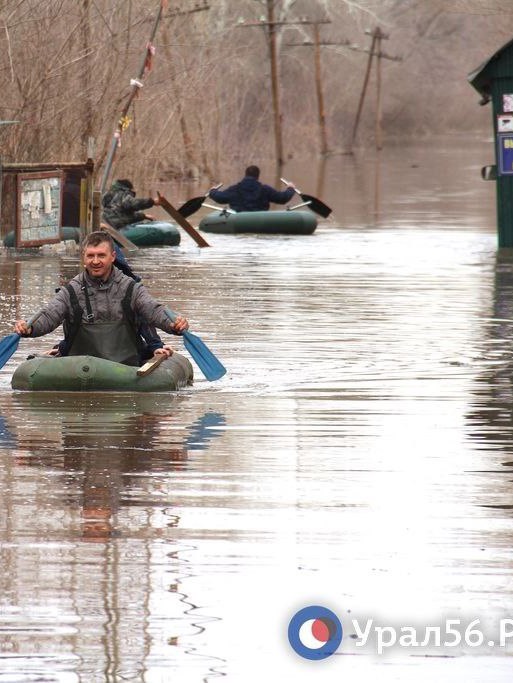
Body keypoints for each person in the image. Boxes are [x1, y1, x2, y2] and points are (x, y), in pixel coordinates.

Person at [14, 231, 188, 367]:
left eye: (101, 255)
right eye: (90, 256)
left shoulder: (131, 288)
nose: (95, 261)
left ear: (112, 257)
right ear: (84, 257)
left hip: (125, 366)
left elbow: (153, 309)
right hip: (77, 366)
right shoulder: (71, 290)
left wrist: (173, 324)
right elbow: (49, 314)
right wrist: (30, 328)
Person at [208, 165, 295, 212]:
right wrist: (290, 189)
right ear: (258, 176)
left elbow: (220, 198)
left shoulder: (234, 189)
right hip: (261, 220)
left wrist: (213, 191)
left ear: (245, 175)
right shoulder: (265, 190)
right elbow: (282, 198)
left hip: (239, 219)